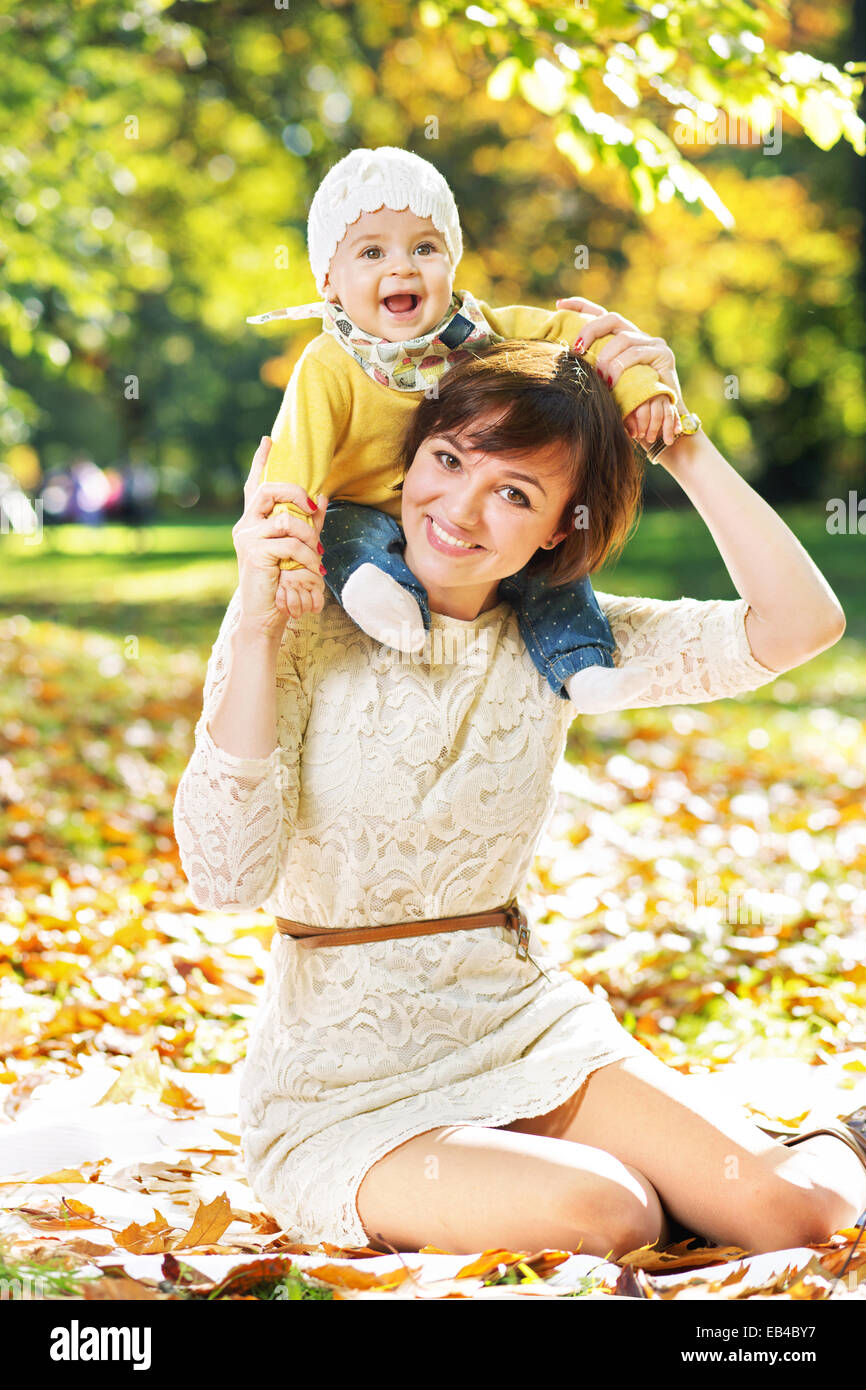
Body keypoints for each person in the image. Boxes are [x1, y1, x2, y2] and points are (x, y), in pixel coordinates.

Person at [173, 304, 866, 1258]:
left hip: (521, 1029)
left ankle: (836, 1138)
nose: (459, 510)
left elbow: (800, 626)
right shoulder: (294, 622)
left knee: (799, 1213)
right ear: (409, 458)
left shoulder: (566, 647)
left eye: (515, 493)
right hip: (345, 1089)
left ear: (555, 532)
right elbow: (223, 877)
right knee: (605, 1212)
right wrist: (254, 624)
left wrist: (680, 441)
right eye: (449, 461)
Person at [247, 145, 682, 715]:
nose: (401, 267)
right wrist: (289, 561)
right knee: (347, 536)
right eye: (372, 251)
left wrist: (643, 391)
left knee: (551, 570)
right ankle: (383, 597)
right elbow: (293, 467)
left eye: (424, 248)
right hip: (362, 508)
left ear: (451, 263)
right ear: (329, 282)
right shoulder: (329, 364)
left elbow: (583, 335)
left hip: (466, 514)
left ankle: (584, 666)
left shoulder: (480, 331)